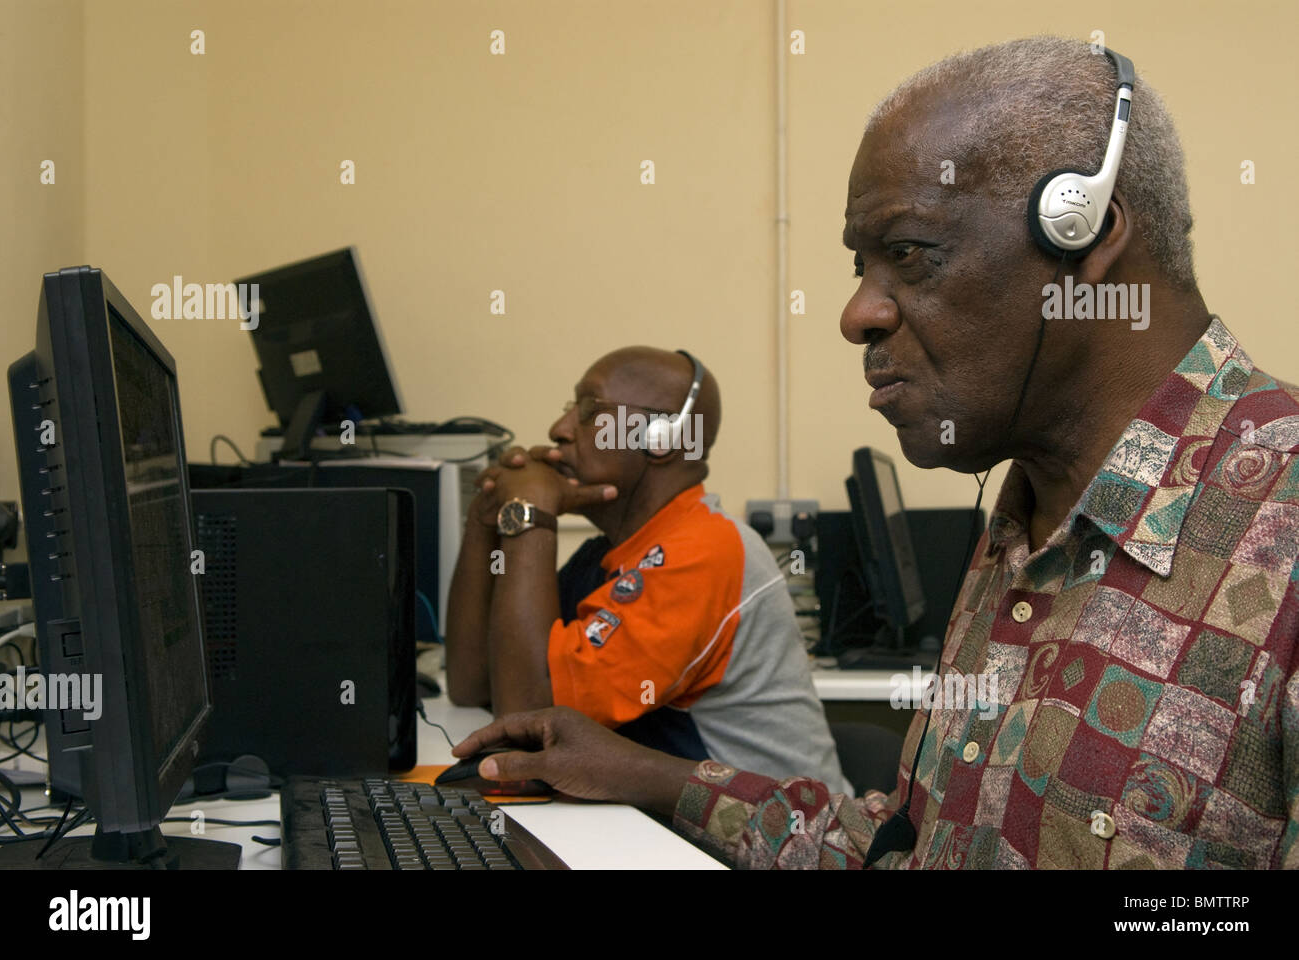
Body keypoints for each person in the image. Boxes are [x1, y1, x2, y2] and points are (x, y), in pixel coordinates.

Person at [452, 36, 1299, 869]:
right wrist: (648, 776)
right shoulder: (1025, 521)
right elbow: (912, 847)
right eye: (862, 266)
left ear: (1084, 233)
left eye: (908, 255)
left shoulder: (1281, 525)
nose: (858, 314)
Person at [444, 345, 849, 793]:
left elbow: (525, 722)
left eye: (587, 409)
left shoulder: (704, 551)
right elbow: (471, 684)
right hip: (692, 832)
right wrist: (486, 518)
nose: (558, 430)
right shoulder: (609, 555)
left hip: (779, 845)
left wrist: (530, 511)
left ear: (661, 438)